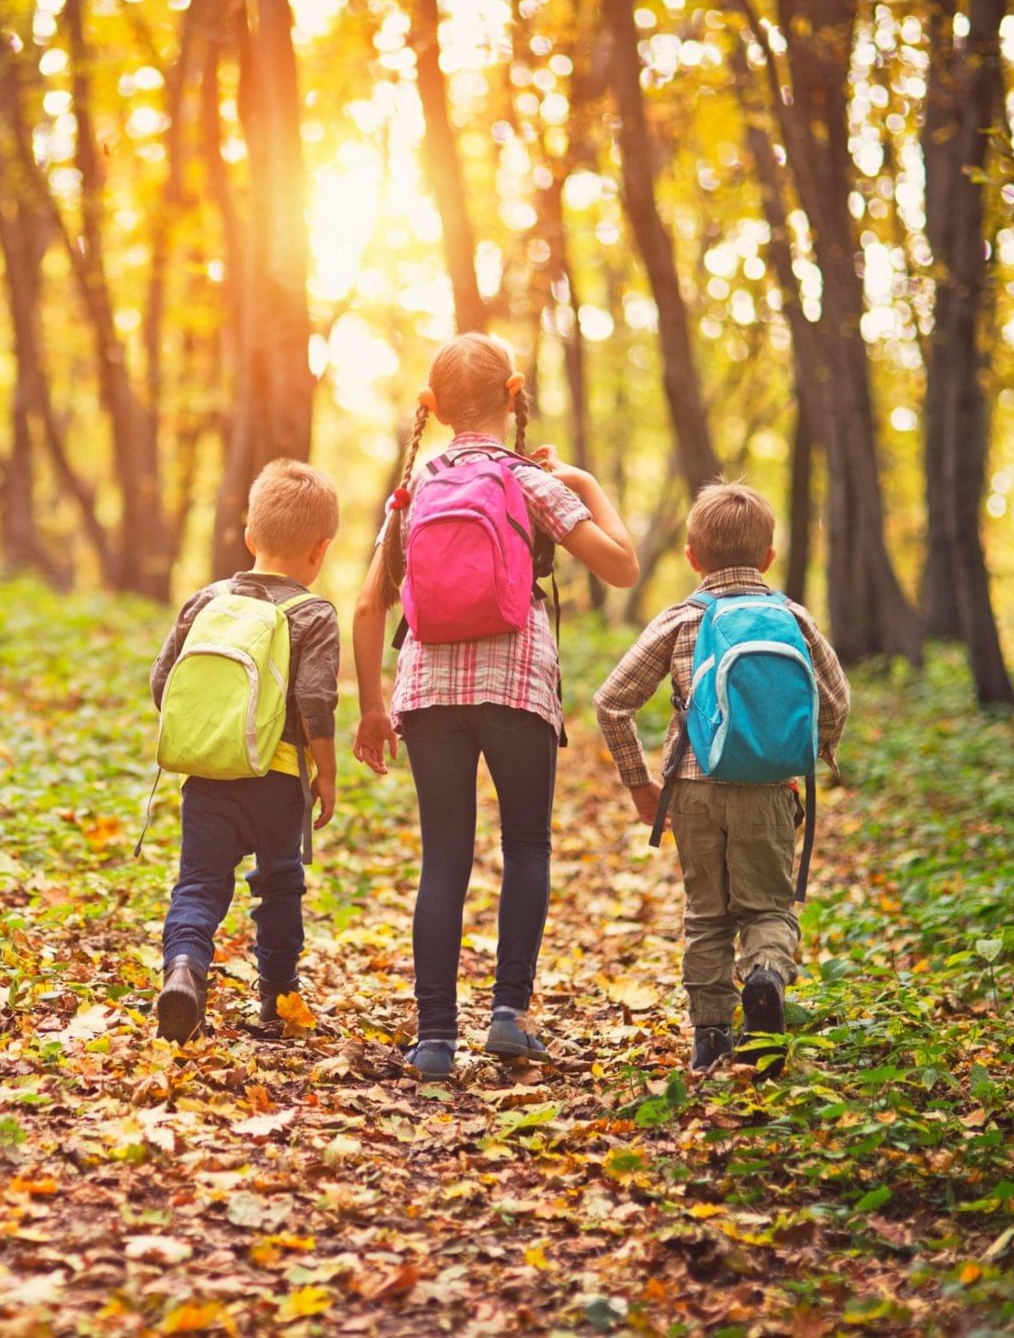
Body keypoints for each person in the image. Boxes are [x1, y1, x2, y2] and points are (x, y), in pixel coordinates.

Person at [352, 333, 639, 1081]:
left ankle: (436, 1036)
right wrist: (583, 482)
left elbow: (365, 606)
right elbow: (621, 565)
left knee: (443, 858)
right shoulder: (530, 482)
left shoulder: (415, 489)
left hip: (428, 690)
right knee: (527, 849)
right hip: (516, 681)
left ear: (432, 406)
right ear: (514, 393)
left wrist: (373, 709)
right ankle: (509, 1015)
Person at [593, 481, 850, 1074]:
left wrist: (640, 784)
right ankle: (764, 976)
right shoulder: (793, 618)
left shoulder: (681, 619)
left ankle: (710, 1036)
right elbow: (836, 698)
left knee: (707, 913)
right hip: (768, 790)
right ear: (769, 558)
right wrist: (812, 753)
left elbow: (612, 702)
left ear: (691, 556)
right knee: (769, 908)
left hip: (693, 789)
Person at [150, 460, 342, 1042]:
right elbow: (315, 702)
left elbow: (164, 683)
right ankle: (277, 999)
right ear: (321, 549)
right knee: (279, 884)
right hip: (277, 780)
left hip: (207, 776)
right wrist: (327, 776)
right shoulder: (313, 614)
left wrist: (214, 732)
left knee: (200, 882)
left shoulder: (206, 601)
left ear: (250, 536)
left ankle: (184, 968)